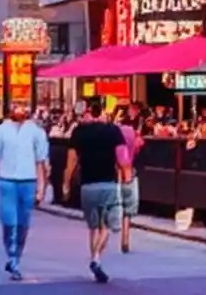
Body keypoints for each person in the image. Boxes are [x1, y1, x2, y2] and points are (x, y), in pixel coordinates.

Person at [0, 102, 49, 281]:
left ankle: (16, 257)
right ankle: (11, 255)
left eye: (23, 107)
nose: (20, 110)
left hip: (28, 181)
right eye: (17, 107)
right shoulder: (1, 131)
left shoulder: (36, 132)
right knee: (9, 222)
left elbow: (41, 161)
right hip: (6, 182)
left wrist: (41, 189)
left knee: (23, 224)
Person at [63, 100, 126, 283]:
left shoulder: (78, 132)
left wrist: (66, 184)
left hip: (87, 185)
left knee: (93, 227)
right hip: (108, 182)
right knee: (105, 226)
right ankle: (96, 258)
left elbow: (71, 161)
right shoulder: (113, 130)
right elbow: (122, 157)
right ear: (103, 112)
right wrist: (126, 176)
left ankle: (94, 262)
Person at [115, 117, 144, 254]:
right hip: (130, 174)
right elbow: (140, 145)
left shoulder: (115, 133)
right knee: (128, 211)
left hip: (116, 176)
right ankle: (125, 239)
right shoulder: (133, 134)